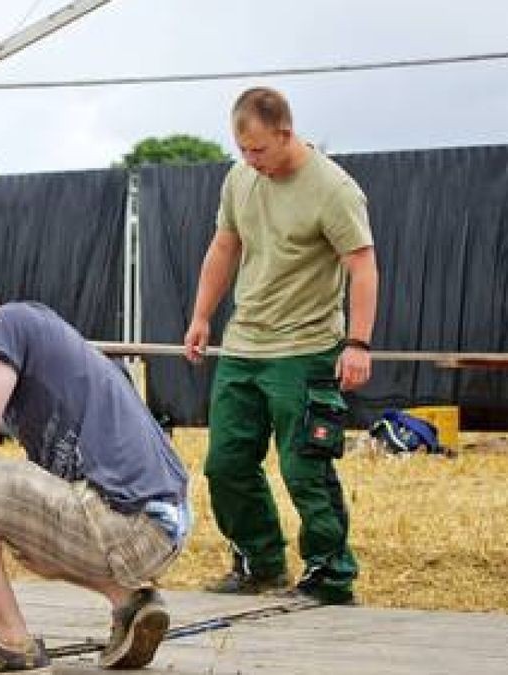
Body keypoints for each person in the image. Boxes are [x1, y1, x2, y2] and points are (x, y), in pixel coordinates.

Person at [0, 255, 191, 674]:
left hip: (126, 520)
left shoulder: (7, 324)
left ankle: (10, 643)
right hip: (161, 525)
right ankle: (130, 602)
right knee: (25, 550)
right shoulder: (43, 336)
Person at [183, 87, 378, 605]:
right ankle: (259, 562)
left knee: (305, 466)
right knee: (225, 464)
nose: (251, 161)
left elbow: (362, 265)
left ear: (286, 134)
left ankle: (330, 573)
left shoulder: (334, 189)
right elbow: (224, 246)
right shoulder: (239, 179)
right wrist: (202, 315)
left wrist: (357, 343)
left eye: (259, 150)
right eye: (242, 150)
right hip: (244, 345)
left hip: (306, 348)